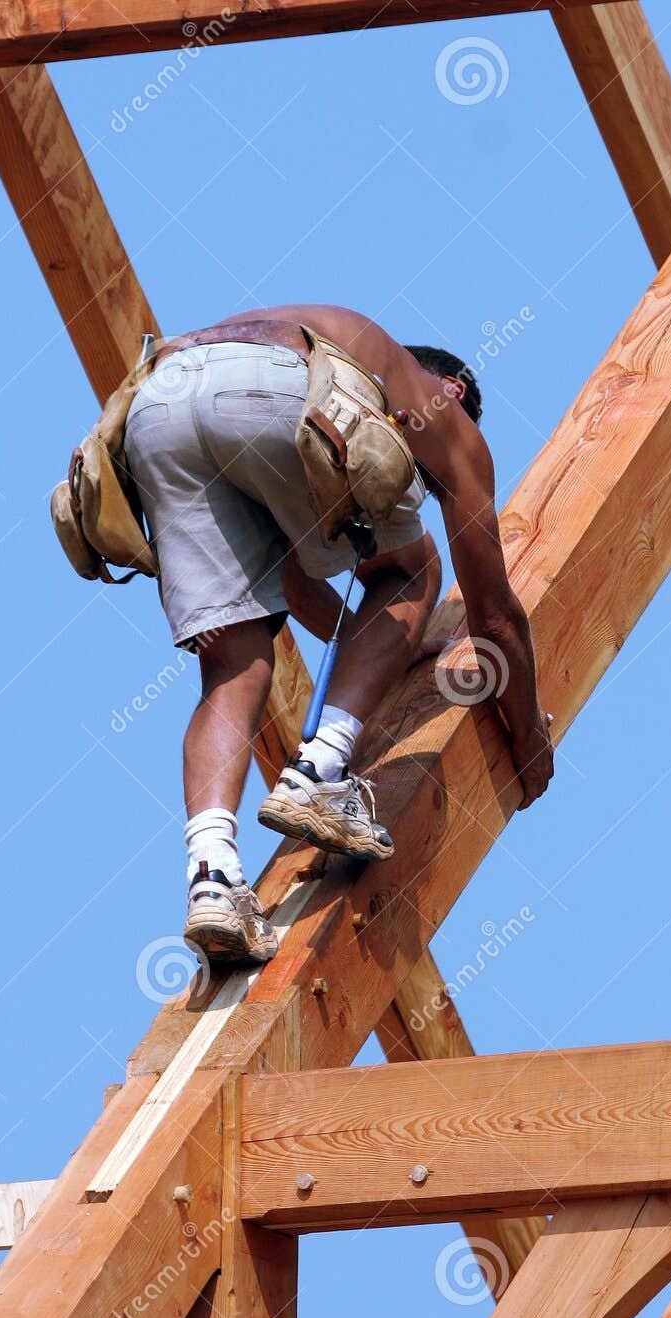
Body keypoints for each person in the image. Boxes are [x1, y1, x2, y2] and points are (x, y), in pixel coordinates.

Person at [123, 305, 553, 967]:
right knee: (416, 569)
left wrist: (385, 644)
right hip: (267, 387)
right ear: (454, 394)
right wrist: (527, 740)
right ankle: (319, 774)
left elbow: (288, 580)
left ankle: (211, 875)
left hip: (152, 407)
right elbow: (494, 615)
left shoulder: (328, 339)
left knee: (234, 665)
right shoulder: (440, 411)